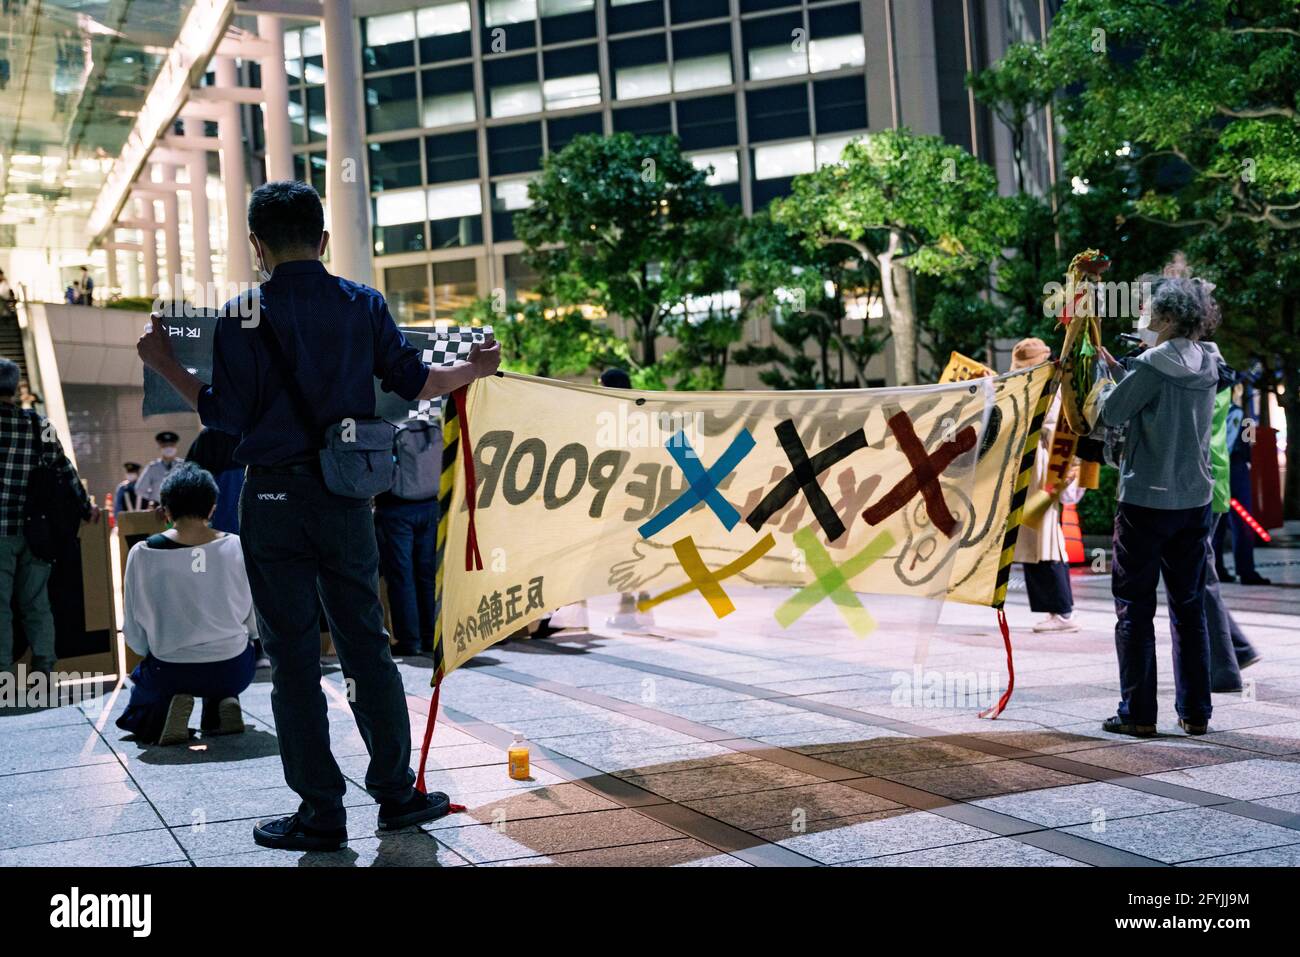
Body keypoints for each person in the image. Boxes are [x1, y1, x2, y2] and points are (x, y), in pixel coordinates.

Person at [136, 179, 500, 852]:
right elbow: (414, 383)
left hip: (272, 499)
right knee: (367, 643)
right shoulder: (362, 303)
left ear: (257, 246)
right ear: (325, 240)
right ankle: (396, 793)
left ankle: (320, 811)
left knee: (294, 658)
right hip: (346, 495)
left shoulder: (243, 313)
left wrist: (163, 361)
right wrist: (472, 370)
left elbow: (223, 415)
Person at [1096, 277, 1223, 738]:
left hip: (1145, 500)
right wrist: (1126, 374)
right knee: (1188, 607)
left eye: (1148, 310)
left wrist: (1109, 380)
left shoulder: (1151, 362)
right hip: (1196, 499)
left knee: (1134, 605)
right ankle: (1195, 711)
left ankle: (1137, 712)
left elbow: (1111, 413)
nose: (1143, 316)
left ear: (1166, 318)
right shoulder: (1210, 360)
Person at [116, 464, 256, 745]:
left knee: (142, 699)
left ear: (165, 510)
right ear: (213, 508)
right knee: (225, 658)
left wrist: (151, 652)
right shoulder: (237, 546)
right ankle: (220, 706)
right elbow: (253, 621)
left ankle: (173, 704)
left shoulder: (143, 553)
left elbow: (133, 625)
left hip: (170, 671)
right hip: (233, 668)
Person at [0, 356, 99, 675]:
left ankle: (2, 672)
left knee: (0, 608)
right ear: (16, 389)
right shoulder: (39, 425)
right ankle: (44, 665)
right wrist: (87, 507)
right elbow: (65, 470)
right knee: (35, 601)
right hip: (38, 532)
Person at [1009, 338, 1083, 633]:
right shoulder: (1046, 389)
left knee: (1045, 541)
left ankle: (1061, 613)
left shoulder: (1052, 391)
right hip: (1037, 475)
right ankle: (1057, 611)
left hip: (1046, 474)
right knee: (1038, 541)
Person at [375, 418, 441, 657]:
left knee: (401, 575)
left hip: (396, 510)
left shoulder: (389, 426)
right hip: (430, 505)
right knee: (427, 575)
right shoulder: (429, 424)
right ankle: (431, 636)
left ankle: (408, 640)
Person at [1223, 390, 1270, 584]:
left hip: (1213, 469)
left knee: (1216, 522)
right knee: (1243, 523)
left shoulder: (1205, 408)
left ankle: (1217, 569)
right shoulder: (1241, 414)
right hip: (1237, 468)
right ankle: (1246, 570)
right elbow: (1250, 440)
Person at [134, 430, 185, 505]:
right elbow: (139, 489)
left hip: (180, 507)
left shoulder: (184, 466)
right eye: (165, 446)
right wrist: (153, 498)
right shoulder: (152, 468)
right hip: (160, 508)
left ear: (175, 447)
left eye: (171, 445)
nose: (168, 448)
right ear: (160, 448)